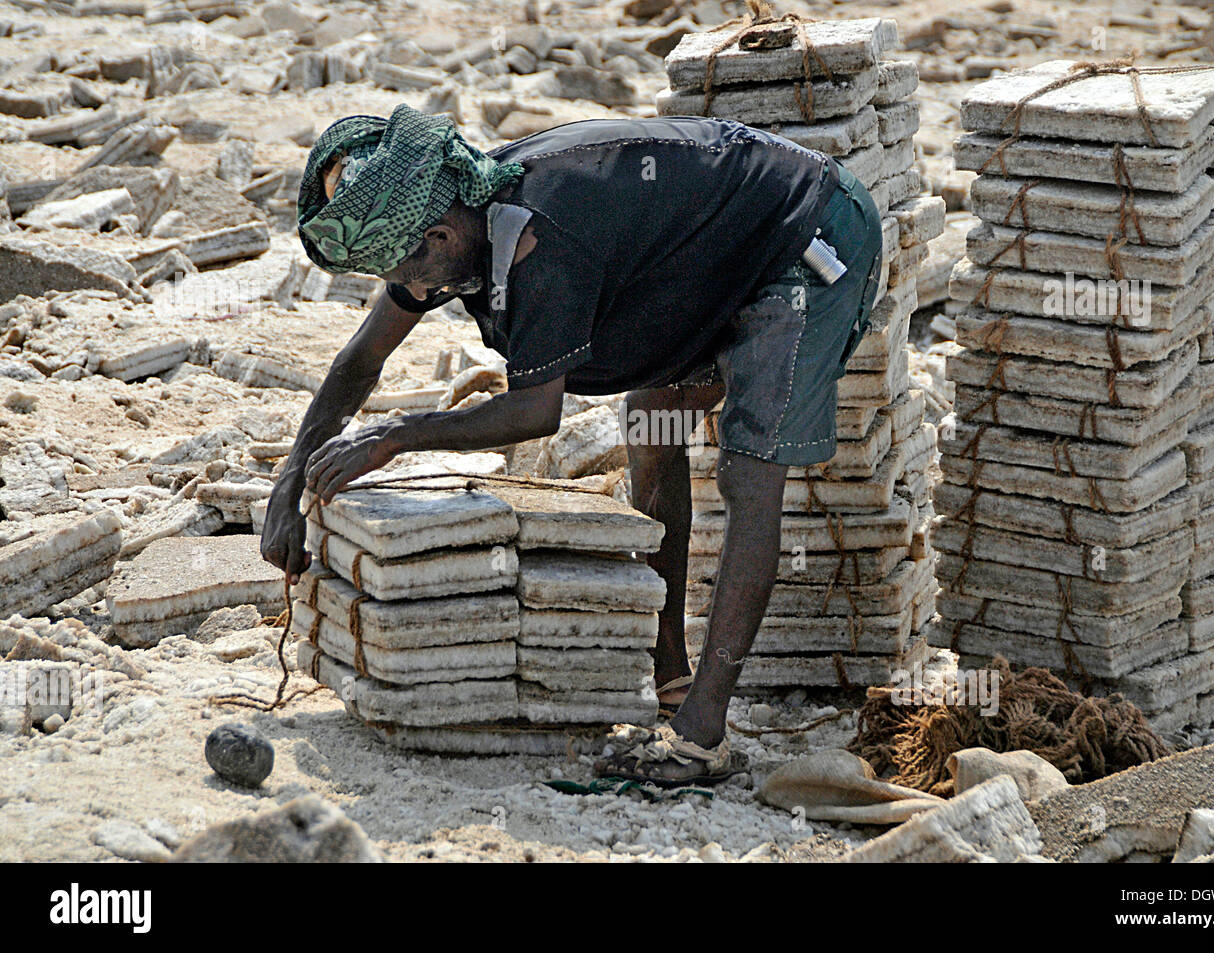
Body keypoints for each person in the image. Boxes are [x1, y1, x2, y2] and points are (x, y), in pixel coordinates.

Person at [261, 103, 882, 785]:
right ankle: (667, 673)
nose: (414, 293)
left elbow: (535, 411)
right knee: (653, 422)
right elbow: (362, 357)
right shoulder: (457, 213)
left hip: (807, 238)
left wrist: (399, 434)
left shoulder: (540, 236)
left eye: (414, 275)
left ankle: (702, 735)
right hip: (713, 254)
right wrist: (290, 480)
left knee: (749, 475)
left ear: (438, 236)